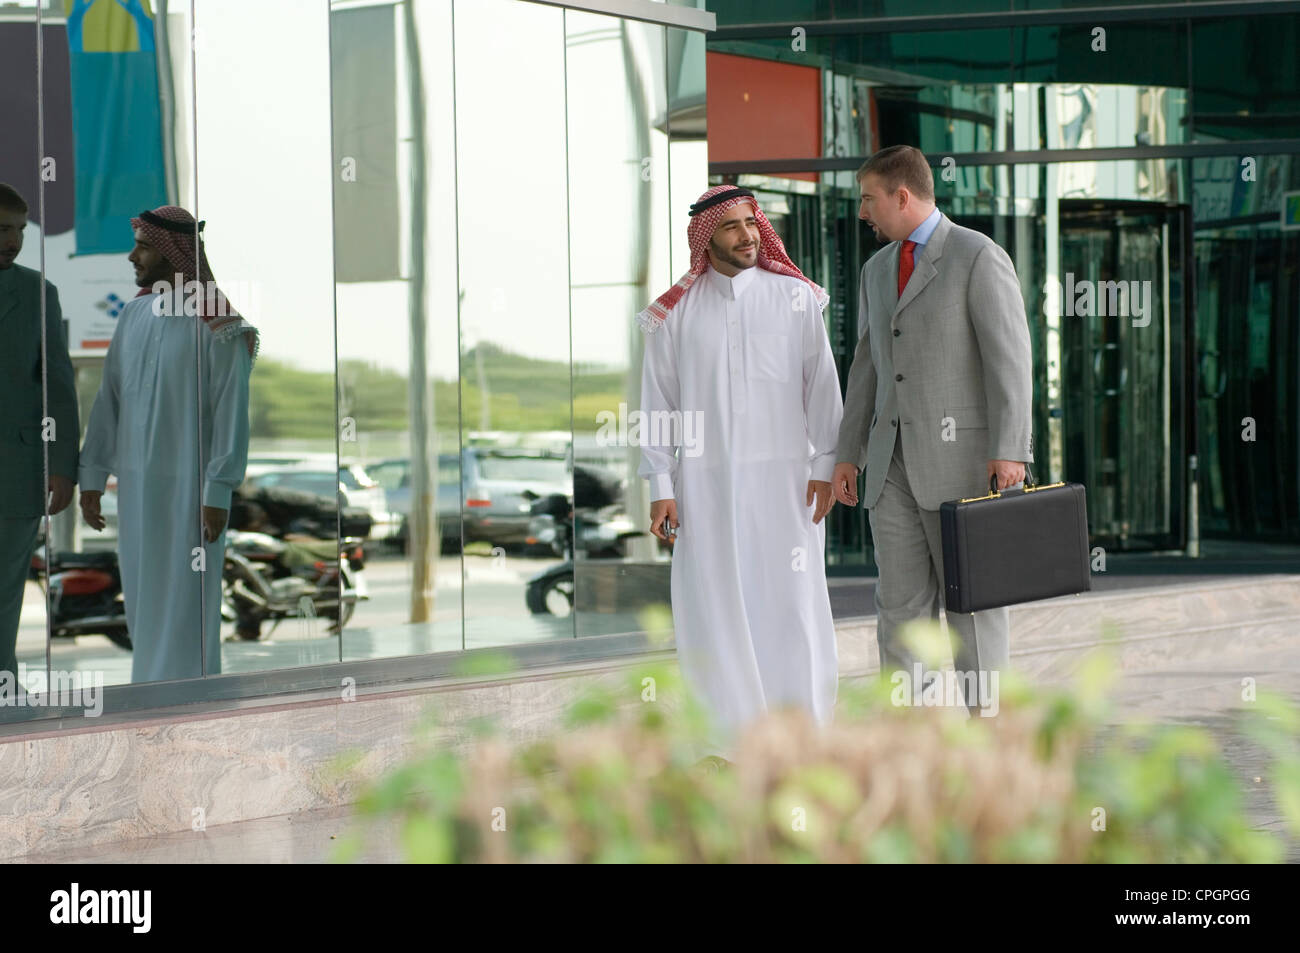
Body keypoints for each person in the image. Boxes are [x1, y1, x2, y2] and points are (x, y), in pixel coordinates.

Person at [637, 184, 844, 762]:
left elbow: (822, 389)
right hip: (707, 484)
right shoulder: (674, 314)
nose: (747, 236)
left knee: (791, 601)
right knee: (717, 602)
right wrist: (660, 486)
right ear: (707, 237)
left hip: (788, 484)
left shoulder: (796, 299)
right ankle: (727, 738)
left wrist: (826, 466)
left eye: (752, 223)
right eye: (731, 227)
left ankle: (803, 731)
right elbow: (657, 406)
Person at [830, 146, 1033, 714]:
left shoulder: (977, 256)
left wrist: (1010, 449)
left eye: (869, 198)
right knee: (898, 612)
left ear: (902, 196)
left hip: (967, 466)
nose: (863, 211)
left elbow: (1009, 360)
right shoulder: (875, 270)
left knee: (973, 610)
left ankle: (986, 736)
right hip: (890, 467)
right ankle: (910, 741)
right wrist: (848, 453)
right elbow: (867, 363)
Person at [79, 205, 258, 682]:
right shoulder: (134, 314)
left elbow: (231, 413)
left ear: (174, 255)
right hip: (136, 487)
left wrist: (218, 489)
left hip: (191, 489)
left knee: (187, 596)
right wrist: (92, 477)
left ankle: (191, 697)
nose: (132, 257)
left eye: (144, 247)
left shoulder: (219, 323)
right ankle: (151, 696)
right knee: (144, 592)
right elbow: (109, 401)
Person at [0, 183, 79, 680]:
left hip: (17, 471)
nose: (13, 240)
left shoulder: (37, 292)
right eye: (2, 229)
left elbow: (60, 387)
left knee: (6, 590)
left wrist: (64, 467)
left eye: (18, 230)